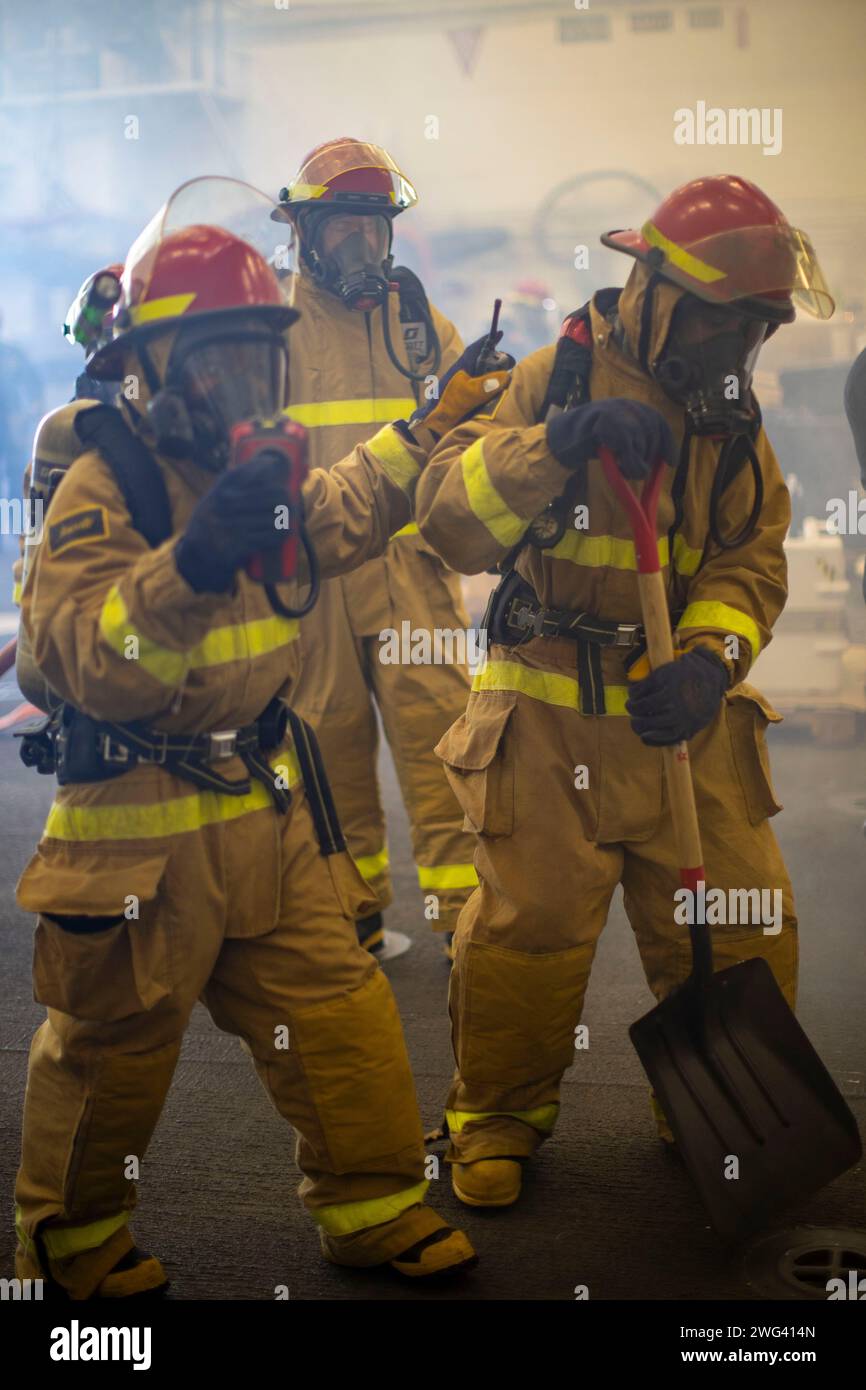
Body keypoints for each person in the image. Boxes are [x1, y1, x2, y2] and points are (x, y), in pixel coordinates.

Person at [12, 180, 492, 1298]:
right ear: (151, 367)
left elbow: (347, 507)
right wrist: (187, 566)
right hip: (132, 831)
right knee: (110, 1051)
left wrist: (425, 425)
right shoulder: (106, 484)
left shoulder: (255, 477)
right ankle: (69, 1251)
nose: (237, 385)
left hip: (261, 815)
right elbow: (71, 654)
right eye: (211, 360)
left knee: (338, 1011)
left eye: (253, 358)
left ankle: (369, 1208)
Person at [414, 175, 835, 1207]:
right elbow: (444, 518)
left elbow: (750, 557)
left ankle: (709, 1110)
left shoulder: (729, 417)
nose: (732, 347)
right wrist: (551, 445)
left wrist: (708, 660)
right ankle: (493, 1120)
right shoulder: (555, 376)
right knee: (529, 932)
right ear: (652, 293)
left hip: (682, 725)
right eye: (720, 319)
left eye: (753, 327)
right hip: (548, 720)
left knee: (742, 923)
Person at [274, 139, 480, 959]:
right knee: (326, 746)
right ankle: (348, 922)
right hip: (314, 570)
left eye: (374, 231)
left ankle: (470, 925)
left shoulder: (422, 324)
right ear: (305, 232)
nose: (363, 248)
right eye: (345, 231)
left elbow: (465, 440)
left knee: (447, 744)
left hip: (408, 566)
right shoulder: (271, 327)